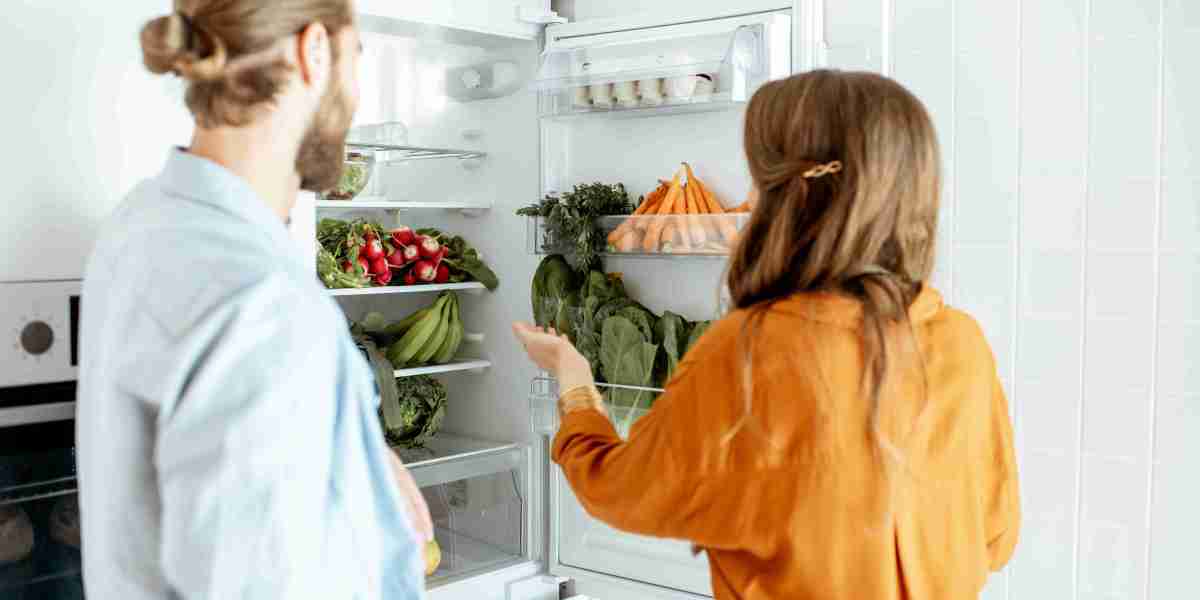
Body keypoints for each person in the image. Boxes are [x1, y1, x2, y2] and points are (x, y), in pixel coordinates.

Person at [514, 70, 1020, 600]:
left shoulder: (748, 350)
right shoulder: (962, 342)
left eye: (759, 177)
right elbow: (995, 536)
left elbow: (621, 490)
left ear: (789, 196)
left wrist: (574, 381)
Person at [76, 2, 432, 598]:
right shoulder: (263, 303)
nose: (356, 95)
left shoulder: (143, 221)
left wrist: (350, 461)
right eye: (355, 57)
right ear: (312, 51)